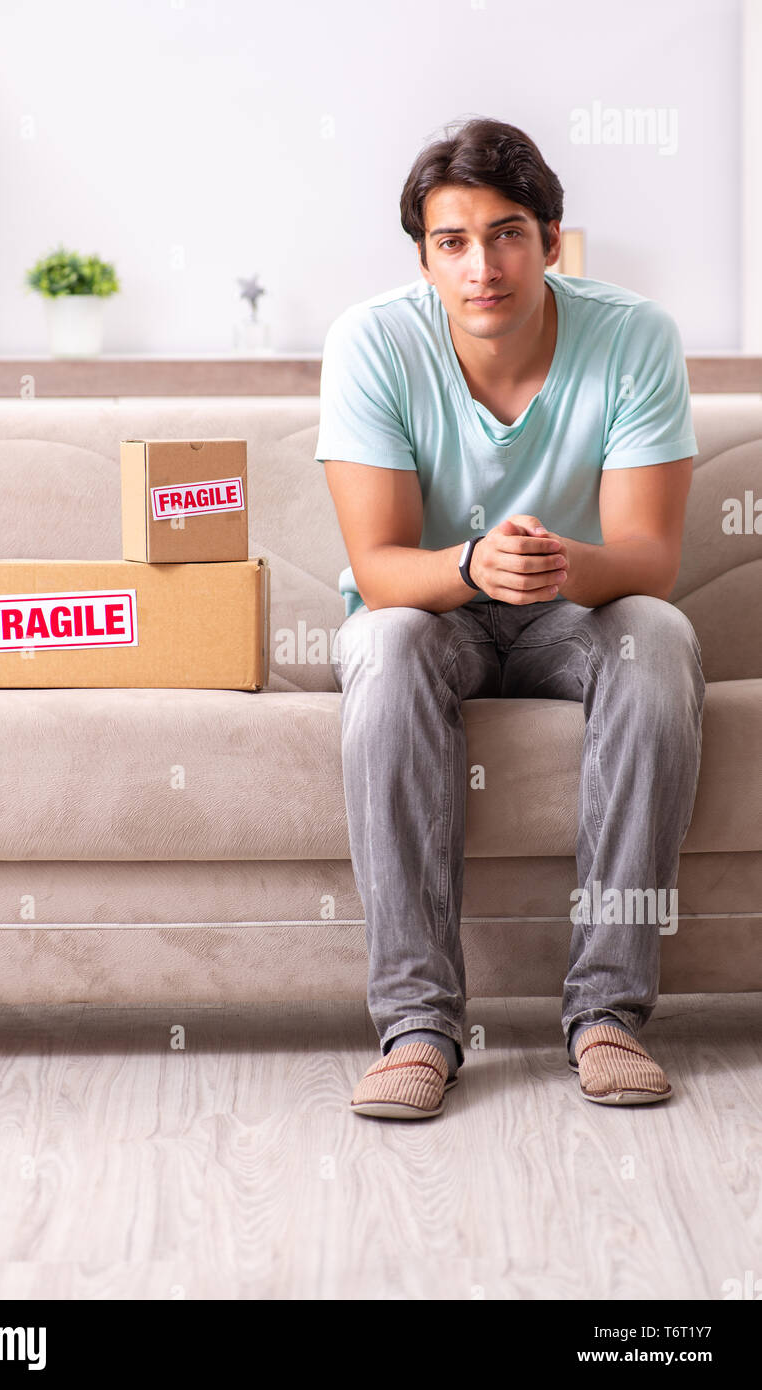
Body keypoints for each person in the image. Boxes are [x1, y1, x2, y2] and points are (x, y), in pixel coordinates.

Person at [314, 115, 706, 1119]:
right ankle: (417, 1027)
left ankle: (608, 1014)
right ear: (424, 257)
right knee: (387, 641)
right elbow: (379, 566)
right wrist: (471, 562)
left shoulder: (634, 337)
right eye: (453, 241)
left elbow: (650, 560)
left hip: (570, 610)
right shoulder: (372, 341)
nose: (481, 264)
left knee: (658, 637)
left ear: (550, 239)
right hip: (430, 612)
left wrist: (559, 561)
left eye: (507, 233)